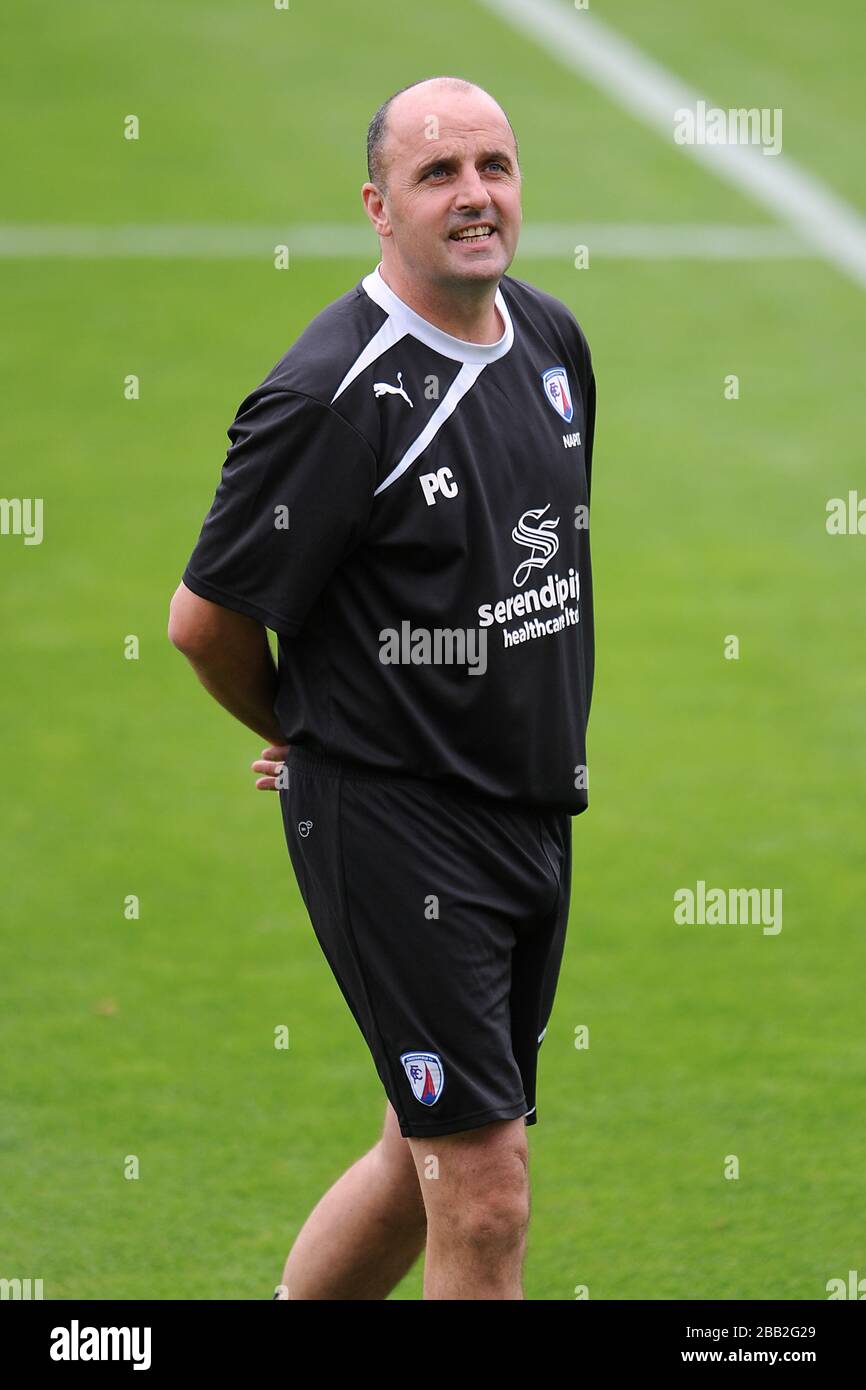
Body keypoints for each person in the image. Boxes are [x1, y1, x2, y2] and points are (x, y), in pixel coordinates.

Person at [168, 74, 596, 1301]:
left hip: (523, 809)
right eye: (437, 174)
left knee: (422, 1150)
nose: (474, 197)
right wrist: (311, 731)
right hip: (401, 829)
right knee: (483, 1187)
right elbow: (205, 623)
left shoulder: (550, 345)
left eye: (493, 167)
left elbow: (518, 587)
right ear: (377, 205)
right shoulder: (333, 397)